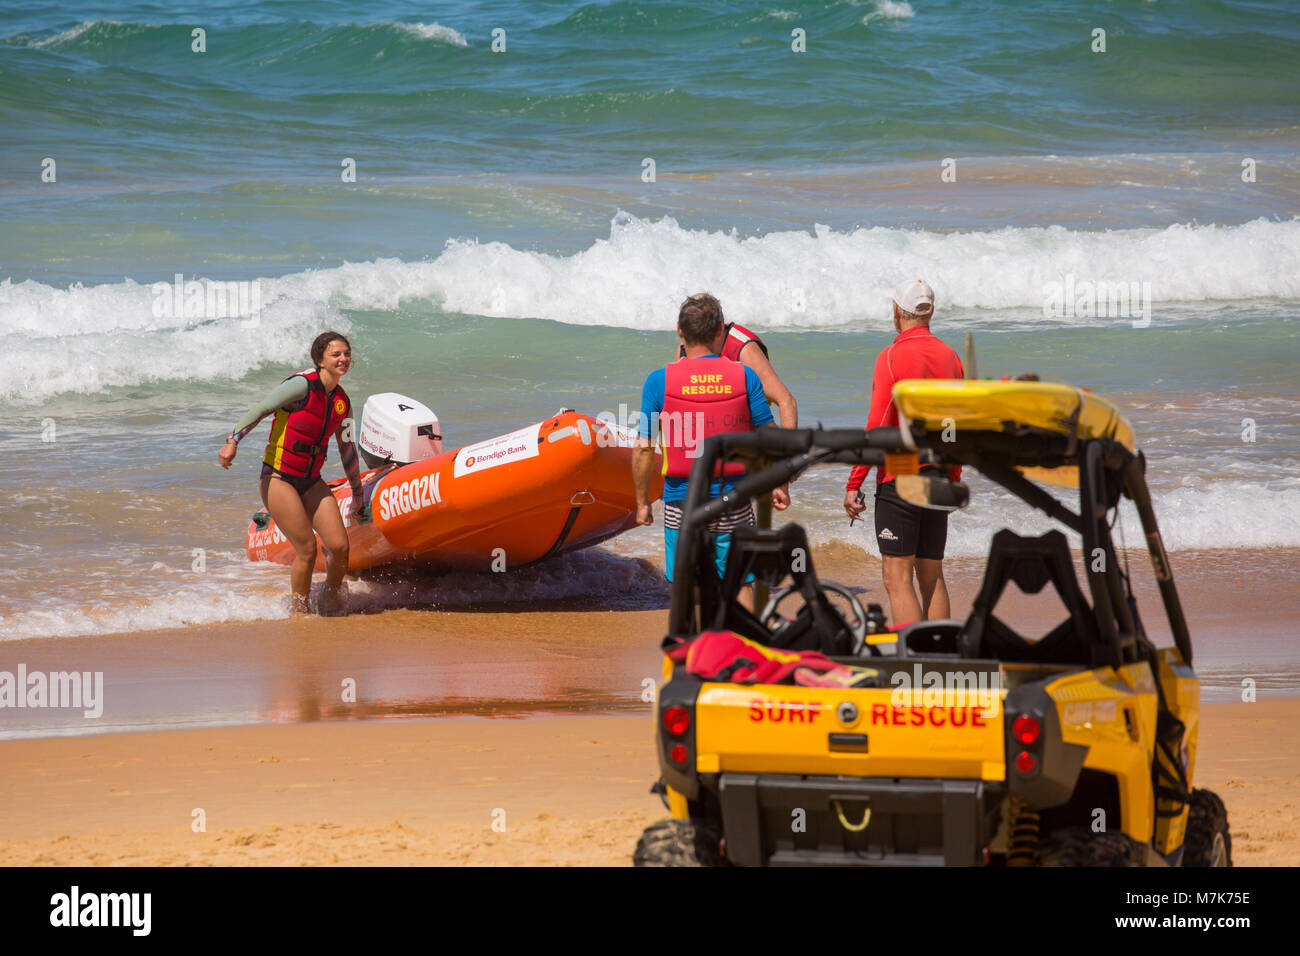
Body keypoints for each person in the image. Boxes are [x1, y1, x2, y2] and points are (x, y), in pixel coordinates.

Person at [635, 294, 789, 610]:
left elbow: (643, 448)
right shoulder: (745, 376)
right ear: (720, 331)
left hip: (683, 500)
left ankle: (697, 654)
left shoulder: (658, 381)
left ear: (680, 331)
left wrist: (641, 503)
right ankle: (745, 652)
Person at [219, 331, 367, 615]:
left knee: (339, 547)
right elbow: (262, 408)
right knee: (308, 548)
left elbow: (348, 449)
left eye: (346, 354)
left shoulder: (341, 401)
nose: (343, 359)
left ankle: (330, 600)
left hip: (311, 481)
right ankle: (299, 612)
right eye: (336, 354)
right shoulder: (302, 385)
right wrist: (232, 441)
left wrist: (358, 493)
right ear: (320, 360)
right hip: (279, 478)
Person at [843, 280, 964, 627]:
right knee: (932, 575)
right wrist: (952, 478)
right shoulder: (951, 357)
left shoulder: (891, 357)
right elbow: (955, 427)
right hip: (938, 475)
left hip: (901, 474)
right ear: (931, 312)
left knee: (897, 579)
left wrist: (854, 483)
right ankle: (941, 659)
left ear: (897, 311)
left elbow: (878, 426)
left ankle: (912, 666)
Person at [674, 311, 798, 429]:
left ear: (719, 330)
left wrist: (790, 449)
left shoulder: (744, 349)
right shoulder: (685, 349)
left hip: (748, 422)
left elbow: (786, 401)